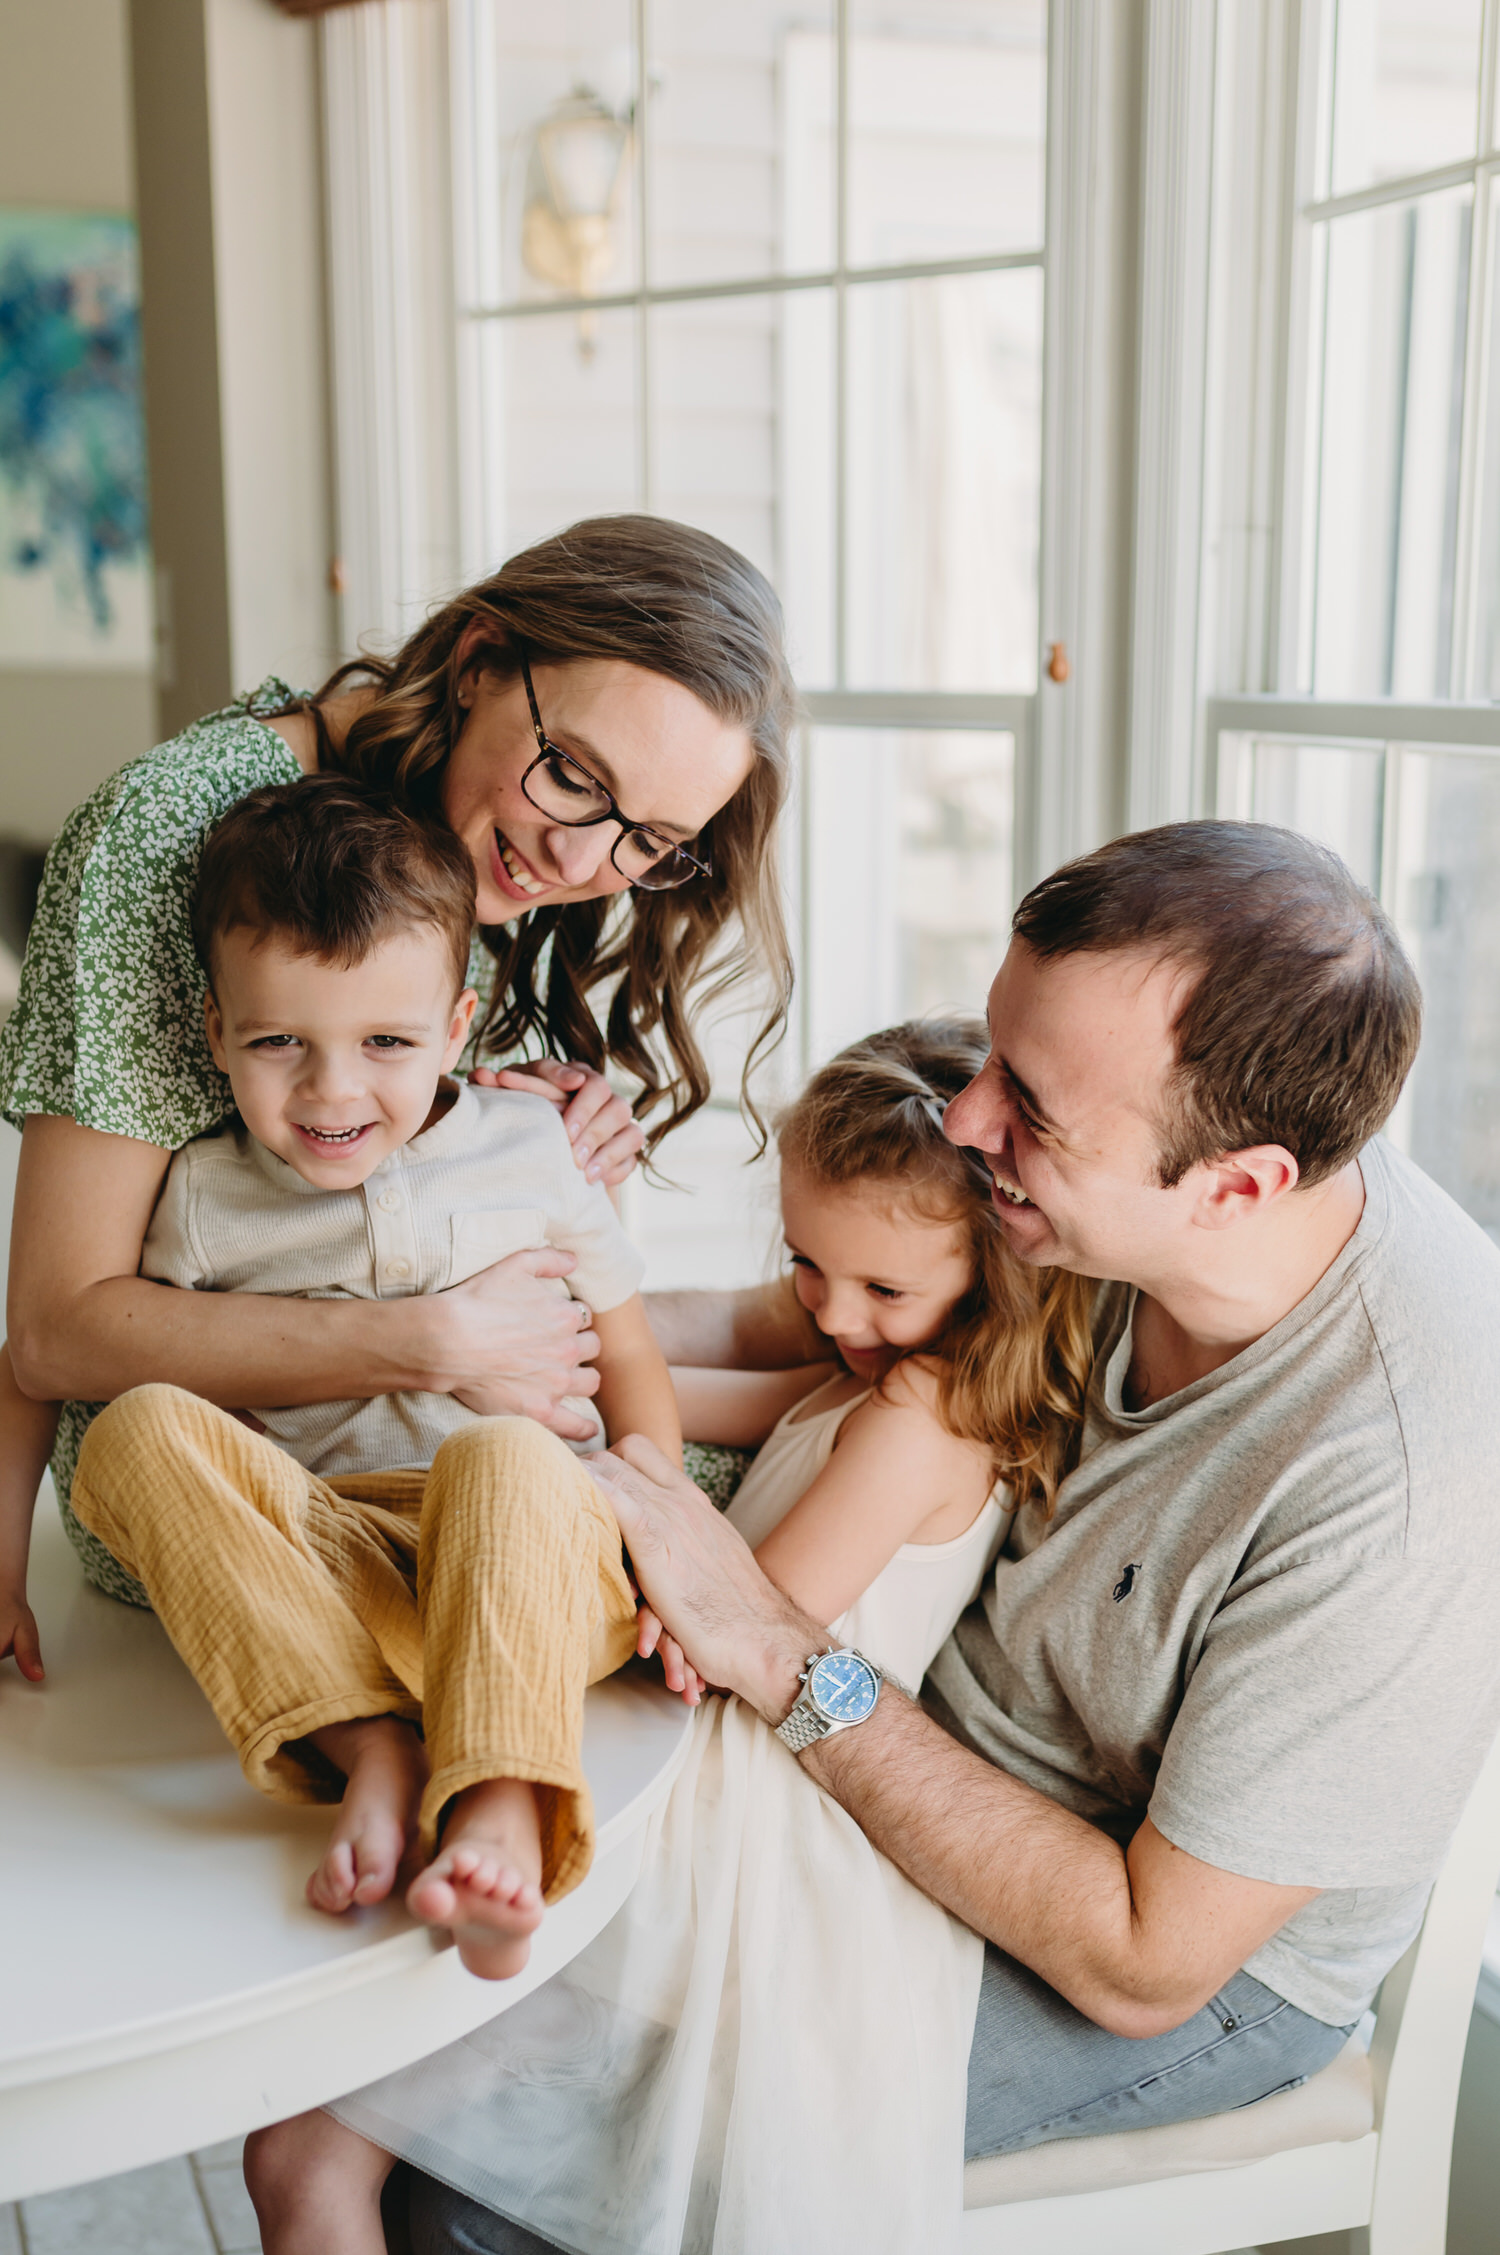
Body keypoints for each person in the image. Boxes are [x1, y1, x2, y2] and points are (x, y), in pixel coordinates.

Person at [401, 819, 1500, 2253]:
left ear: (1238, 1184)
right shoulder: (1092, 1199)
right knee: (432, 1990)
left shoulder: (1401, 1477)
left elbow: (1143, 1959)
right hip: (926, 1763)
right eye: (989, 1056)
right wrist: (489, 1288)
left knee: (474, 2171)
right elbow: (789, 1318)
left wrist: (779, 1646)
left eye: (1029, 1106)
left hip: (1163, 1957)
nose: (970, 1122)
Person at [241, 1018, 1094, 2255]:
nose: (833, 1311)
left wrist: (572, 1475)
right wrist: (511, 1360)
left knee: (304, 2149)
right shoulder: (868, 1375)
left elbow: (741, 1614)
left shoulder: (926, 1414)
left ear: (998, 1270)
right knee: (304, 2142)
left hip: (739, 1831)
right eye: (806, 1263)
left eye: (881, 1287)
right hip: (697, 1778)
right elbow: (644, 1395)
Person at [0, 513, 794, 1616]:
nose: (580, 862)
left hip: (458, 1402)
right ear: (477, 662)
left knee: (820, 1419)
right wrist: (428, 1341)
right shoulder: (167, 835)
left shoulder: (460, 823)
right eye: (571, 773)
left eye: (647, 841)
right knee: (799, 1502)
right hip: (235, 1490)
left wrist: (524, 1105)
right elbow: (52, 1329)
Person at [14, 776, 685, 1974]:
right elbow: (35, 1367)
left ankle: (500, 1802)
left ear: (461, 1025)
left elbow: (629, 1353)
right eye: (280, 1043)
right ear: (216, 1032)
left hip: (531, 1559)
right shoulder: (207, 1198)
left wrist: (679, 1558)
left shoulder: (534, 1149)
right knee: (136, 1424)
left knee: (502, 1451)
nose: (332, 1093)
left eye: (386, 1042)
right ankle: (367, 1740)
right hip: (338, 1571)